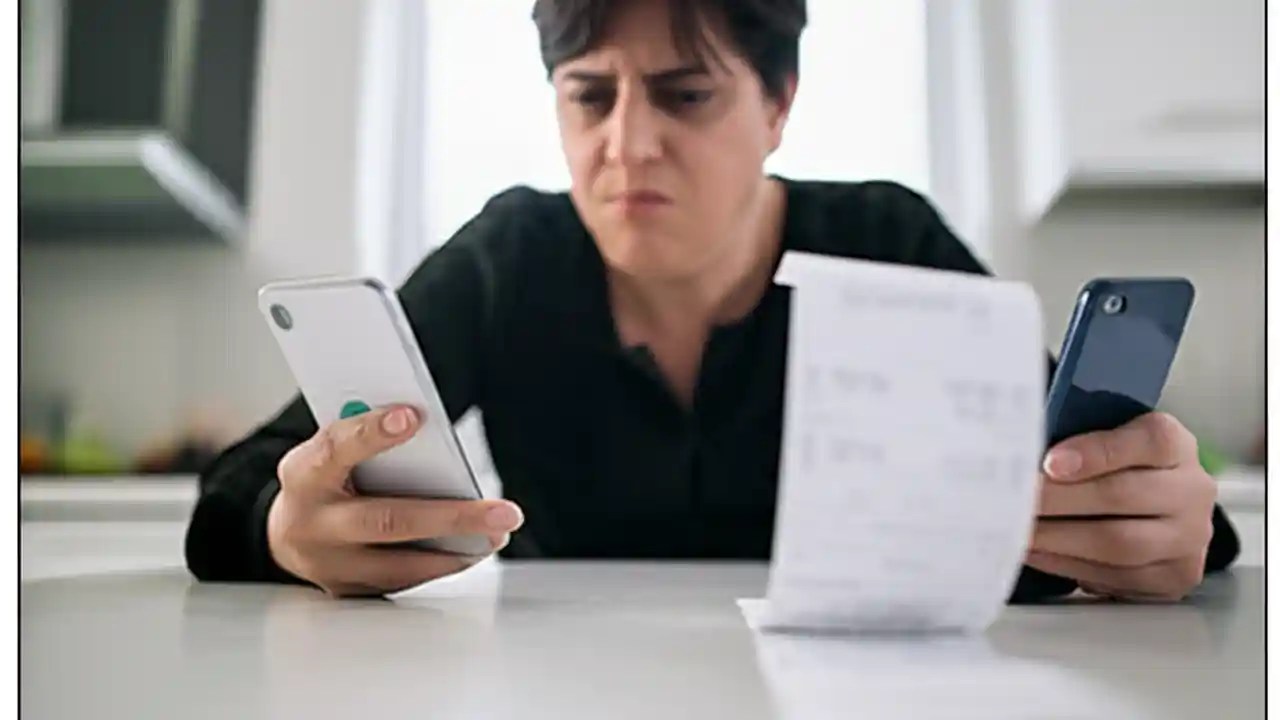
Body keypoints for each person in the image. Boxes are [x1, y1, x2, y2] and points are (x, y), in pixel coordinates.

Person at [186, 0, 1238, 600]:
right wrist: (286, 527)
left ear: (778, 105)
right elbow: (243, 484)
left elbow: (1130, 497)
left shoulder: (890, 245)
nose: (627, 145)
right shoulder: (509, 258)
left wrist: (1159, 522)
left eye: (684, 95)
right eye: (588, 97)